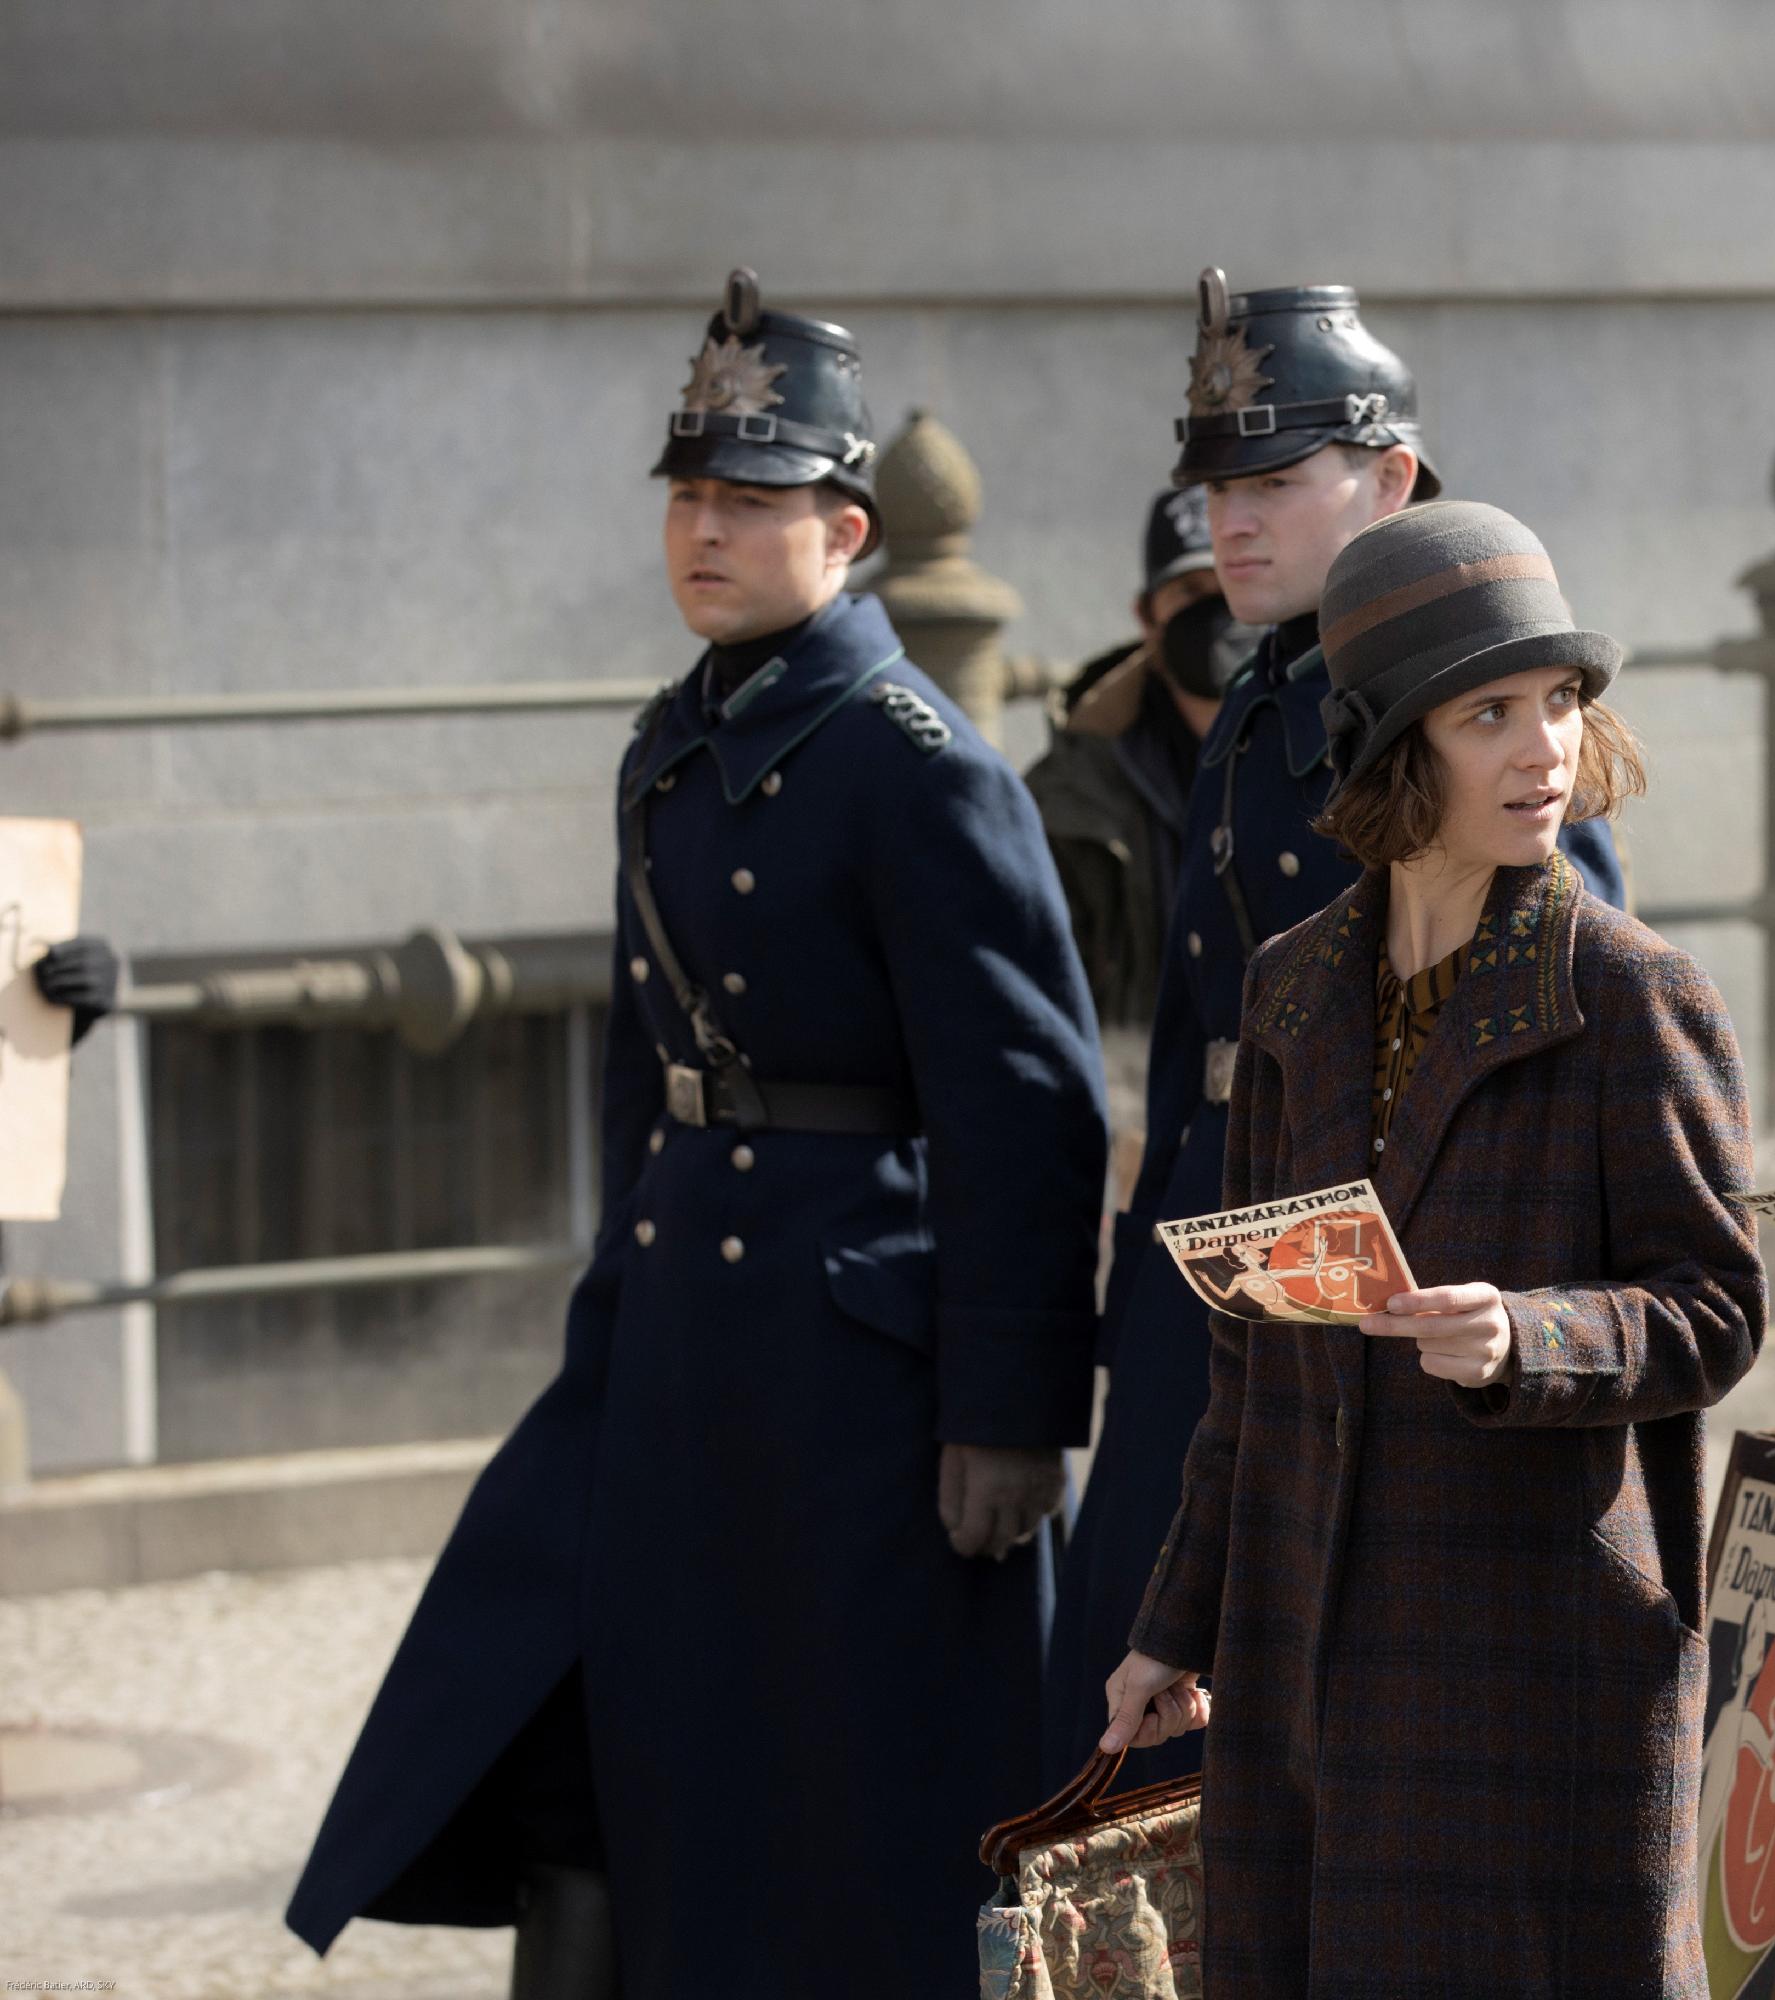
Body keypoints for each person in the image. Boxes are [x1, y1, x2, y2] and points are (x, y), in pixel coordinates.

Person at [287, 270, 1108, 1997]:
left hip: (860, 1364)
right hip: (677, 1340)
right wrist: (615, 1303)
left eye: (748, 501)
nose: (705, 532)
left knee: (865, 1781)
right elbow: (637, 1066)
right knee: (653, 1741)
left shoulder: (922, 765)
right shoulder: (669, 745)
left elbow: (1026, 1104)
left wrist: (1011, 1410)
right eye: (687, 498)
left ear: (847, 531)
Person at [1100, 499, 1764, 1996]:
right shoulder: (1290, 988)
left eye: (1561, 701)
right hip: (1301, 1657)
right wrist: (1173, 1628)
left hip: (1530, 1657)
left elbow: (1717, 1309)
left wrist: (1533, 1335)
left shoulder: (1630, 991)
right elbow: (1244, 1367)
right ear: (1394, 746)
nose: (1546, 750)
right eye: (1489, 714)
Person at [1040, 273, 1623, 1786]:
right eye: (1216, 490)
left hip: (1390, 1266)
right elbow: (1197, 1036)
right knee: (1130, 1697)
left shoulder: (1473, 702)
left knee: (1329, 1728)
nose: (1230, 523)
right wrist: (1143, 1292)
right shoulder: (1254, 705)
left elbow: (1565, 1004)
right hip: (1223, 1248)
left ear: (1391, 478)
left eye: (1274, 484)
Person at [1024, 487, 1254, 1040]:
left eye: (1230, 584)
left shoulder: (1333, 751)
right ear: (1147, 616)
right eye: (1189, 590)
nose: (1215, 611)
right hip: (1136, 1085)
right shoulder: (1070, 790)